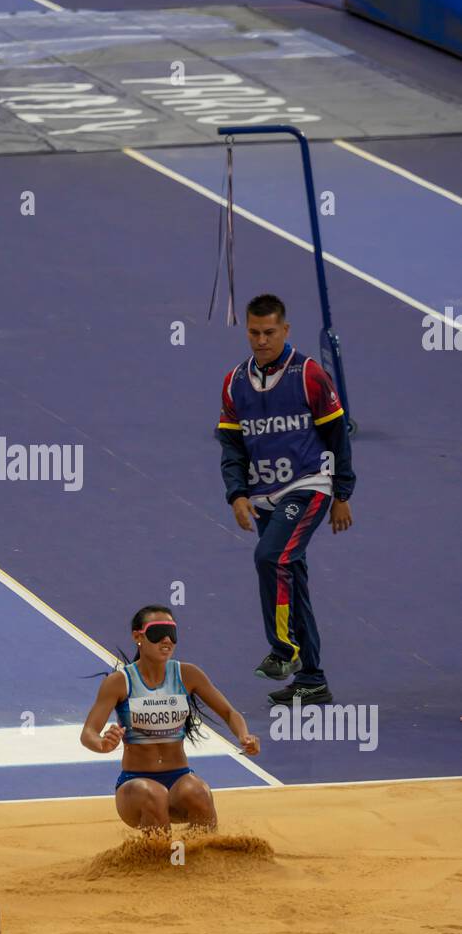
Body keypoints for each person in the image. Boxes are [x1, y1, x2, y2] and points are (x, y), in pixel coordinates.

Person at [217, 294, 356, 706]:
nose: (261, 340)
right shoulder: (234, 382)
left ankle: (284, 651)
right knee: (292, 582)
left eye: (270, 333)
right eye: (254, 333)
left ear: (285, 330)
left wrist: (342, 493)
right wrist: (237, 494)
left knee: (270, 558)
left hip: (308, 484)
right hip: (264, 497)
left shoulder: (309, 375)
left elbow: (337, 435)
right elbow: (232, 446)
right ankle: (312, 679)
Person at [80, 605, 259, 831]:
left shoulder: (188, 674)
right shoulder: (119, 682)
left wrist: (244, 735)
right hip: (135, 784)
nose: (166, 640)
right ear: (138, 636)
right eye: (157, 632)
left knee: (199, 794)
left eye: (172, 633)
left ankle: (203, 859)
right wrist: (102, 745)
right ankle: (157, 861)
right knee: (154, 795)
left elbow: (229, 713)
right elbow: (88, 733)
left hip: (179, 779)